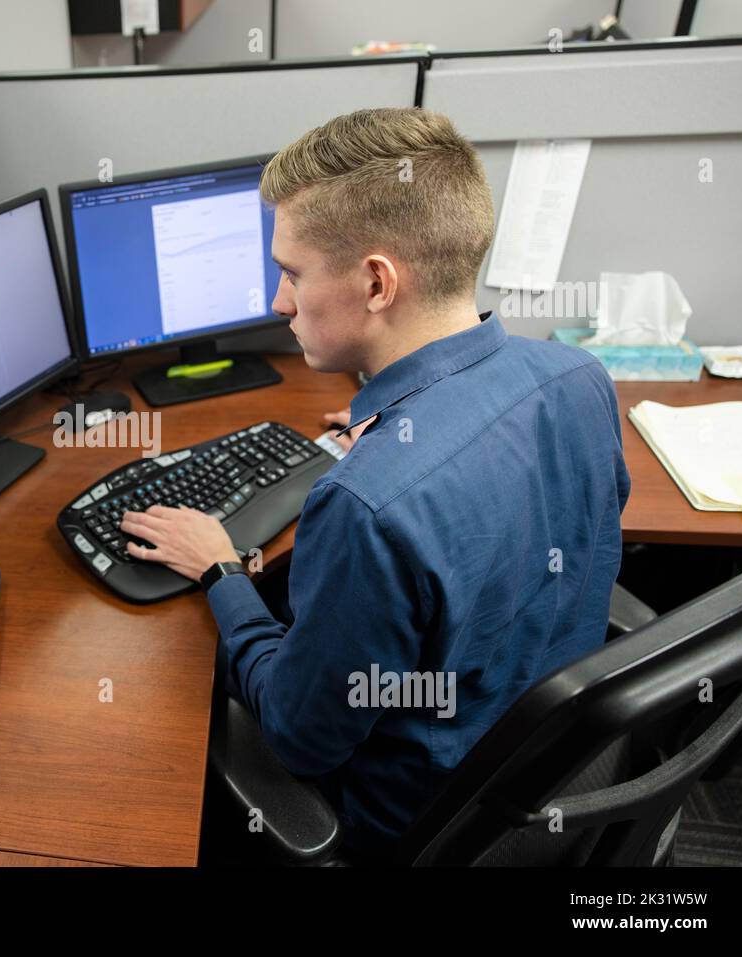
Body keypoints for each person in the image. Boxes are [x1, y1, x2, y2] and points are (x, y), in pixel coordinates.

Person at [120, 107, 631, 862]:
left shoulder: (365, 506)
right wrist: (404, 425)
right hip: (552, 769)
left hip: (421, 827)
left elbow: (301, 737)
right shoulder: (580, 377)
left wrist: (223, 569)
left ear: (376, 281)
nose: (278, 303)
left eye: (291, 272)